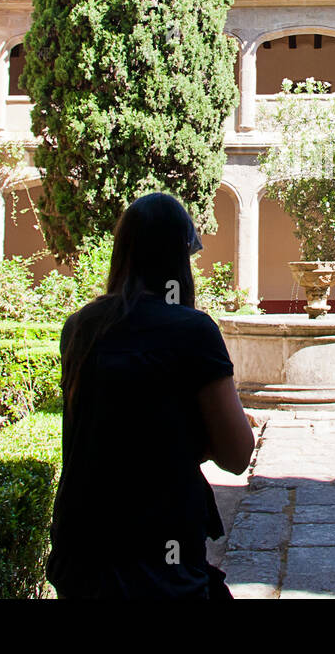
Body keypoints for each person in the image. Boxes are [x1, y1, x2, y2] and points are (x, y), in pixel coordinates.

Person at [46, 192, 255, 599]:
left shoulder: (80, 329)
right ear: (179, 259)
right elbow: (237, 454)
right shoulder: (192, 330)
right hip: (161, 557)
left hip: (83, 553)